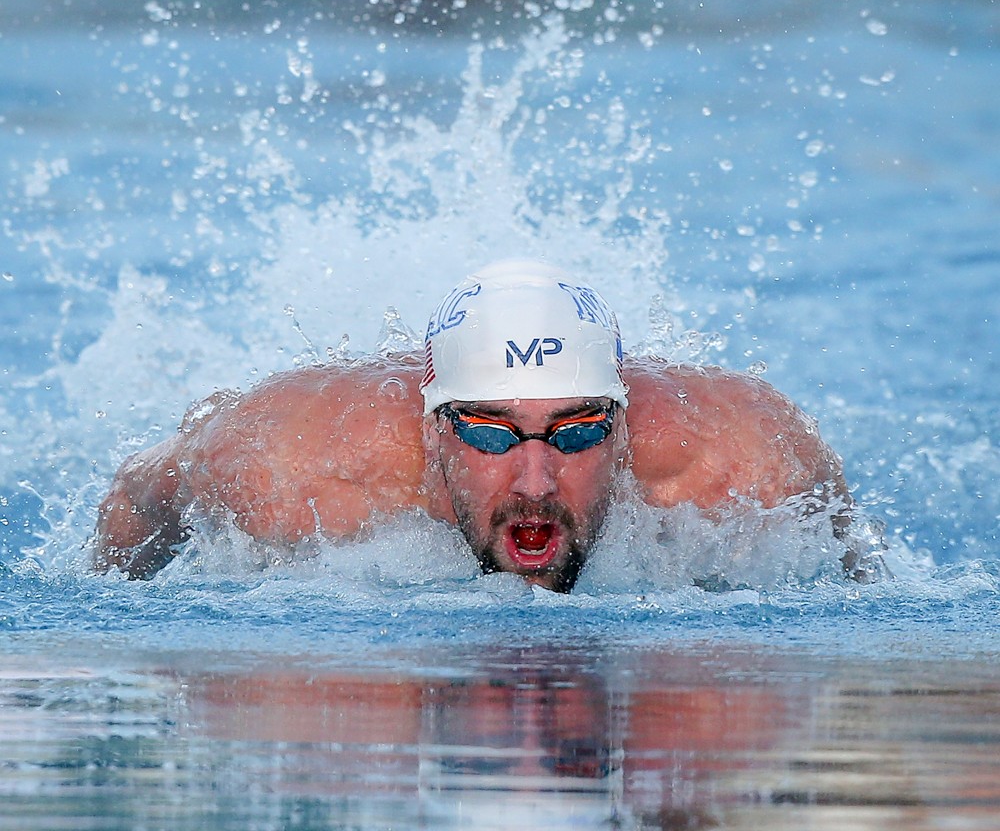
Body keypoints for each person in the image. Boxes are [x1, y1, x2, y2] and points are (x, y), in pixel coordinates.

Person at [94, 259, 856, 589]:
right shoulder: (289, 470)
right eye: (489, 433)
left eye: (579, 430)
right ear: (432, 432)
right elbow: (136, 494)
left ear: (623, 427)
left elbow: (858, 562)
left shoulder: (745, 462)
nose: (535, 479)